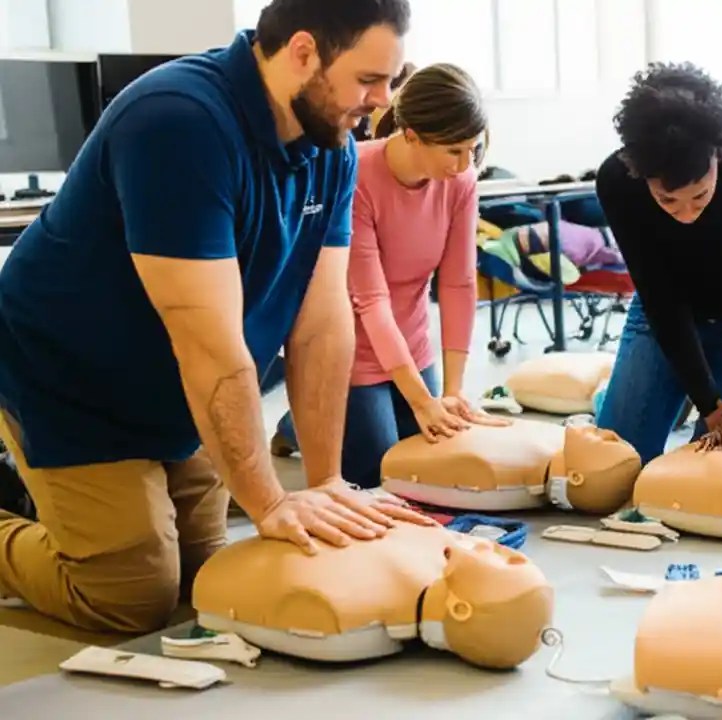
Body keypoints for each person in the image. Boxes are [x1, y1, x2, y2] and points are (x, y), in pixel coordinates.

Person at [0, 0, 429, 634]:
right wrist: (271, 501)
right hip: (67, 383)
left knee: (207, 581)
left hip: (172, 385)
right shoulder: (179, 124)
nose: (382, 100)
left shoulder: (329, 144)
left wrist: (326, 481)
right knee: (132, 596)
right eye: (369, 80)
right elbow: (208, 344)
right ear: (304, 52)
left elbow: (323, 321)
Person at [271, 63, 510, 488]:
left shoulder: (461, 180)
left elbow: (458, 283)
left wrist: (452, 392)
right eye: (453, 151)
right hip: (350, 347)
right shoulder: (356, 173)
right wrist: (421, 400)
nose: (463, 165)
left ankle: (324, 416)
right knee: (380, 474)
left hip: (410, 341)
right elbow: (370, 300)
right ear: (412, 134)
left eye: (471, 150)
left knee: (430, 461)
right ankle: (302, 421)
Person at [593, 62, 722, 465]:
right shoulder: (616, 180)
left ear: (718, 157)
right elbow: (659, 299)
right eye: (667, 201)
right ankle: (625, 397)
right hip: (667, 315)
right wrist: (706, 400)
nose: (686, 213)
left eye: (700, 196)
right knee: (614, 468)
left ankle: (674, 394)